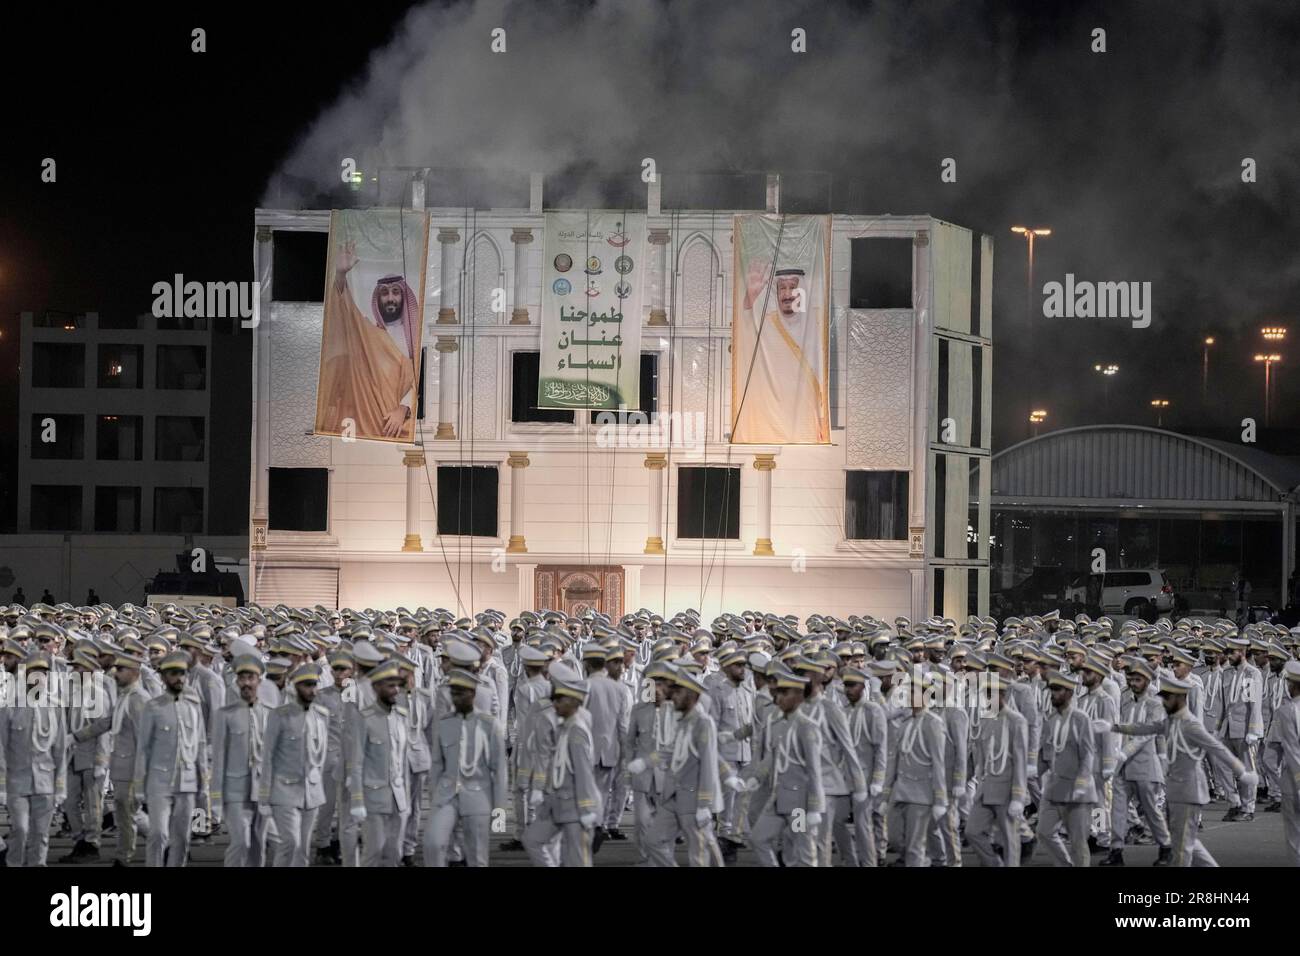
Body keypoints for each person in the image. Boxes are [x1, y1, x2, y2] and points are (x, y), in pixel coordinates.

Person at [1101, 674, 1259, 867]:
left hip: (1189, 792)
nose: (1163, 702)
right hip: (1175, 791)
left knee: (1182, 848)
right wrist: (1114, 727)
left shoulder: (1191, 725)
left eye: (1167, 698)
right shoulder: (1170, 722)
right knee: (1186, 841)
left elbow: (1218, 749)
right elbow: (1144, 728)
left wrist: (1242, 773)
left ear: (1179, 698)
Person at [316, 240, 420, 441]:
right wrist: (340, 275)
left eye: (396, 292)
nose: (390, 298)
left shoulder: (417, 340)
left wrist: (404, 408)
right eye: (384, 293)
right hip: (366, 420)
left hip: (397, 423)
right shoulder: (367, 334)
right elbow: (345, 313)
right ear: (377, 299)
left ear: (404, 297)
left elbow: (422, 382)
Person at [642, 667, 729, 867]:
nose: (674, 695)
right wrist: (646, 762)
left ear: (692, 695)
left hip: (695, 797)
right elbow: (672, 750)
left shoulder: (703, 723)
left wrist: (705, 804)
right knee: (653, 840)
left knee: (700, 852)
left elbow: (708, 763)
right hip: (676, 793)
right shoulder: (683, 720)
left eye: (679, 692)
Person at [71, 649, 151, 866]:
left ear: (135, 672)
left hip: (133, 768)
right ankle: (129, 854)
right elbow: (106, 723)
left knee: (129, 816)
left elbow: (145, 741)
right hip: (121, 767)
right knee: (126, 815)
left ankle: (128, 856)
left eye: (121, 670)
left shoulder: (139, 700)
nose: (116, 674)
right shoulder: (125, 696)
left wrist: (143, 774)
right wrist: (76, 737)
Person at [423, 669, 507, 867]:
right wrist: (434, 796)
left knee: (477, 856)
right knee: (433, 843)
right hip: (447, 794)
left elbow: (500, 770)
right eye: (453, 693)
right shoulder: (445, 723)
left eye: (460, 693)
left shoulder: (489, 725)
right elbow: (437, 765)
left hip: (478, 795)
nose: (456, 698)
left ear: (473, 693)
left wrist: (500, 811)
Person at [134, 650, 208, 867]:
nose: (179, 678)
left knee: (183, 838)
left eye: (182, 673)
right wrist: (139, 787)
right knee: (158, 834)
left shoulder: (193, 706)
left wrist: (203, 783)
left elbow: (200, 745)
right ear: (164, 677)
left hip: (187, 782)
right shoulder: (153, 707)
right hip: (159, 781)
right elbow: (143, 749)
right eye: (173, 674)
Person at [747, 665, 824, 867]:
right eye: (778, 692)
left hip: (798, 804)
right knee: (758, 838)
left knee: (802, 850)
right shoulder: (780, 723)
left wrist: (815, 806)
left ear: (798, 696)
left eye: (784, 693)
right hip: (777, 798)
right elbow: (773, 756)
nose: (778, 698)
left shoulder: (807, 727)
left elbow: (815, 771)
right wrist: (757, 777)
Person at [522, 672, 601, 867]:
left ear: (574, 701)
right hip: (557, 802)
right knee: (532, 839)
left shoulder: (576, 732)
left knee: (578, 860)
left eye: (560, 699)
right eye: (554, 699)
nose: (555, 704)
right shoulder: (563, 728)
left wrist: (586, 808)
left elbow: (584, 775)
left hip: (576, 807)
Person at [0, 653, 68, 867]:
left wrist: (61, 786)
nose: (39, 678)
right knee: (20, 829)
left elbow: (60, 750)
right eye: (34, 673)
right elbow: (1, 747)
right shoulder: (10, 706)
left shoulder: (55, 707)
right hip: (16, 781)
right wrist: (1, 784)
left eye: (43, 674)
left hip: (45, 781)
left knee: (41, 834)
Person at [261, 662, 330, 867]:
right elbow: (268, 756)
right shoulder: (279, 715)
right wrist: (264, 796)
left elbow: (321, 756)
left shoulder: (321, 715)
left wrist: (317, 783)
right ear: (296, 687)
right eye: (307, 685)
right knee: (290, 842)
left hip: (311, 791)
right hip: (284, 789)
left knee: (303, 849)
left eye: (315, 685)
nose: (312, 690)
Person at [211, 653, 273, 867]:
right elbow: (218, 757)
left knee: (258, 844)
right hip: (234, 789)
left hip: (262, 790)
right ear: (236, 681)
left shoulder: (270, 715)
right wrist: (215, 800)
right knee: (241, 842)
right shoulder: (225, 715)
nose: (246, 683)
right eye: (242, 678)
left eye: (251, 678)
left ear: (259, 681)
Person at [347, 658, 411, 867]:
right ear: (376, 687)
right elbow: (355, 763)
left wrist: (406, 801)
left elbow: (402, 763)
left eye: (397, 685)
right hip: (373, 798)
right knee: (373, 853)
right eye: (390, 685)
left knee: (394, 854)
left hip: (398, 798)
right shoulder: (364, 719)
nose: (395, 690)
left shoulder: (401, 717)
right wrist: (356, 801)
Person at [1032, 670, 1096, 867]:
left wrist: (1081, 782)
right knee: (1043, 831)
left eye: (1057, 690)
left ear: (1069, 693)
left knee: (1078, 842)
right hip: (1054, 788)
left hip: (1077, 791)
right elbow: (1045, 754)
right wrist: (1031, 773)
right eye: (1051, 690)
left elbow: (1088, 754)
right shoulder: (1050, 720)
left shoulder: (1080, 718)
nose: (1052, 694)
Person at [967, 673, 1029, 867]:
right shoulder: (986, 718)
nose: (990, 697)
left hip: (1006, 789)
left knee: (1010, 840)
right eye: (987, 693)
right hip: (987, 787)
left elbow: (1020, 760)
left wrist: (1018, 797)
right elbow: (982, 752)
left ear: (1003, 694)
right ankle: (994, 863)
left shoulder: (1016, 720)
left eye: (994, 693)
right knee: (972, 831)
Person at [1216, 636, 1263, 821]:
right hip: (1227, 728)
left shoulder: (1252, 673)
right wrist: (1217, 729)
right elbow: (1222, 703)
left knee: (1247, 770)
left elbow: (1254, 704)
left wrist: (1252, 729)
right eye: (1227, 652)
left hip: (1244, 729)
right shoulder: (1226, 673)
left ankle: (1248, 808)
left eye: (1231, 652)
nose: (1228, 655)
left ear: (1242, 653)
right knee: (1222, 766)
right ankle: (1234, 802)